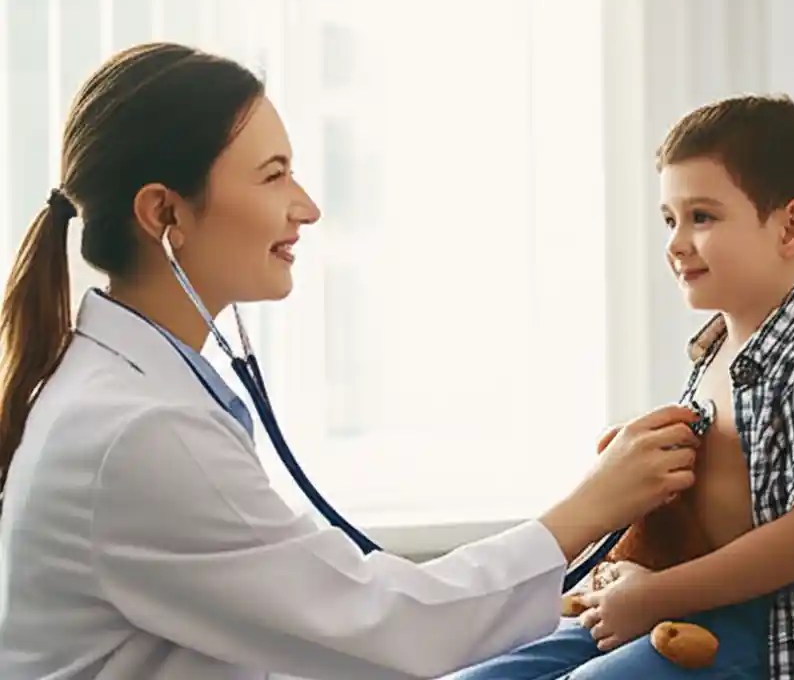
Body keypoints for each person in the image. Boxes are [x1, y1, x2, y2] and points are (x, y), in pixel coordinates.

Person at [0, 41, 706, 680]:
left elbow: (317, 599)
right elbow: (378, 625)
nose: (305, 207)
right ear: (165, 215)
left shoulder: (122, 389)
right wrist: (588, 509)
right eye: (274, 176)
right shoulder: (138, 431)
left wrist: (547, 597)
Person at [452, 96, 794, 679]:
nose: (676, 242)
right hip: (688, 603)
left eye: (702, 217)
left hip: (768, 631)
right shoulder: (713, 354)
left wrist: (657, 596)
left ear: (792, 227)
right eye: (670, 219)